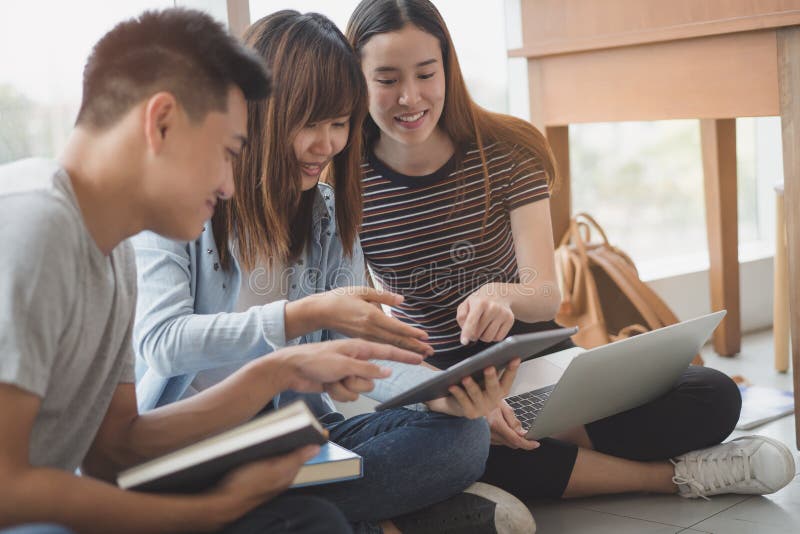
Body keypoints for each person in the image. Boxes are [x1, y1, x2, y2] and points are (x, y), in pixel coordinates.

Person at [345, 0, 796, 504]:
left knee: (713, 395)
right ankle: (674, 477)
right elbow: (361, 328)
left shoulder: (508, 150)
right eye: (386, 80)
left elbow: (545, 297)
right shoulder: (344, 185)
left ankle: (522, 458)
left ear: (448, 68)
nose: (410, 97)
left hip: (541, 369)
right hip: (444, 390)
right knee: (455, 442)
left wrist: (504, 294)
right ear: (356, 81)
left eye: (426, 73)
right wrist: (448, 399)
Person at [0, 9, 428, 534]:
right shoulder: (33, 223)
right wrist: (212, 511)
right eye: (228, 152)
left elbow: (115, 453)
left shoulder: (111, 257)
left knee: (314, 521)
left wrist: (275, 374)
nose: (229, 184)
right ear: (162, 124)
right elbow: (9, 488)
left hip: (113, 489)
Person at [131, 10, 532, 534]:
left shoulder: (326, 214)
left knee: (463, 438)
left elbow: (356, 346)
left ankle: (287, 519)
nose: (327, 145)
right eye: (309, 124)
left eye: (340, 123)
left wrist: (442, 392)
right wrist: (298, 315)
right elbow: (161, 342)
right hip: (196, 447)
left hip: (298, 436)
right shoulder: (175, 202)